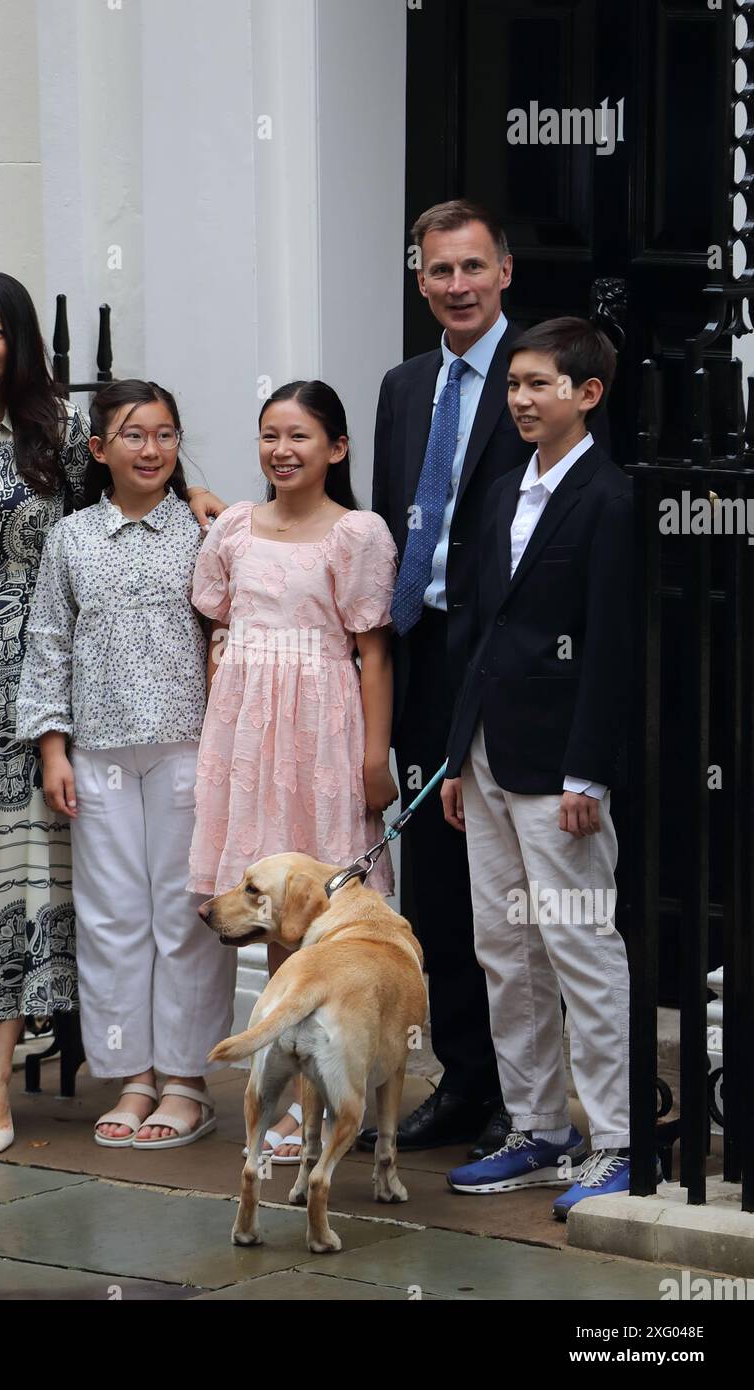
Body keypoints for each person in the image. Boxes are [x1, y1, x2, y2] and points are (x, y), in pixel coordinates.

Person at [0, 273, 219, 1152]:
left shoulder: (54, 435)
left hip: (47, 687)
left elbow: (126, 503)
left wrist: (202, 504)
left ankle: (8, 1078)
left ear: (18, 344)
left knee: (35, 885)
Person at [441, 317, 642, 1218]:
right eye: (513, 384)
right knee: (505, 952)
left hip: (560, 771)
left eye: (538, 385)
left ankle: (616, 1142)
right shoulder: (495, 493)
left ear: (586, 394)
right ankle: (538, 1130)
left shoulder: (610, 497)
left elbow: (615, 648)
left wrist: (587, 774)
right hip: (485, 758)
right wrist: (455, 755)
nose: (520, 398)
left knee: (580, 951)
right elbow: (475, 631)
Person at [17, 380, 236, 1149]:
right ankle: (131, 1076)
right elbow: (47, 642)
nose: (152, 449)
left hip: (187, 747)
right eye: (134, 436)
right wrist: (52, 748)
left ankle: (186, 1080)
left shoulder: (207, 530)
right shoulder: (71, 538)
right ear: (99, 450)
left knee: (186, 914)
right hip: (99, 752)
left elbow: (230, 635)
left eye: (166, 434)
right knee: (111, 917)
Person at [188, 380, 398, 1162]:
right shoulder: (234, 529)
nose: (282, 449)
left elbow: (373, 651)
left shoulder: (357, 534)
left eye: (300, 435)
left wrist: (375, 758)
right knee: (270, 918)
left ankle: (322, 1103)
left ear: (335, 448)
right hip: (247, 737)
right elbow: (215, 625)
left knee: (322, 917)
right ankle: (281, 1093)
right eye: (270, 434)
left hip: (322, 733)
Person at [361, 201, 529, 1157]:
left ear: (503, 271)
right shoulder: (402, 384)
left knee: (510, 896)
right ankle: (463, 1083)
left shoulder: (538, 375)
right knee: (436, 891)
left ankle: (524, 1098)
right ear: (418, 278)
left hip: (503, 665)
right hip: (420, 659)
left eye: (472, 268)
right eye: (438, 271)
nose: (456, 286)